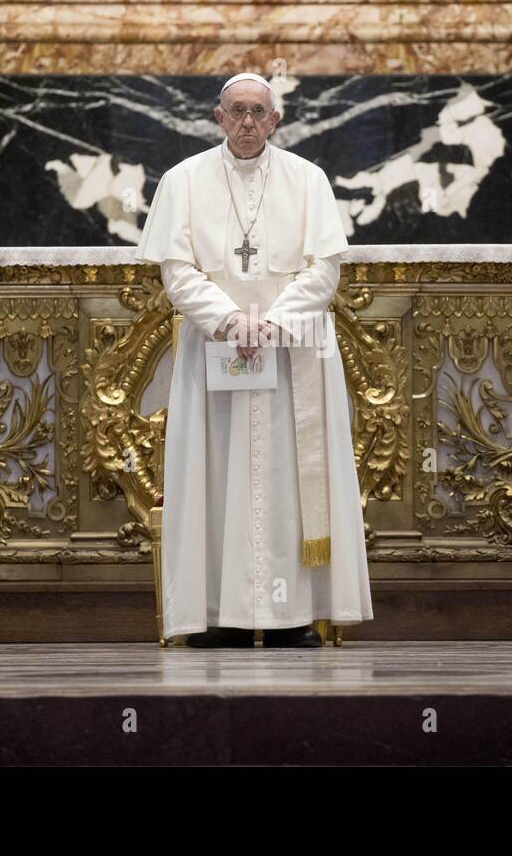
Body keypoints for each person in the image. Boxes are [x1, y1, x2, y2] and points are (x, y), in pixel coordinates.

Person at [134, 72, 374, 647]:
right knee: (213, 478)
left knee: (289, 483)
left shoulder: (308, 180)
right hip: (214, 351)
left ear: (275, 120)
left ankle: (293, 618)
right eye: (236, 111)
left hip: (293, 356)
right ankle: (220, 615)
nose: (247, 122)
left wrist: (269, 323)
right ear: (218, 117)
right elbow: (176, 272)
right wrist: (229, 320)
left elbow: (325, 271)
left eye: (258, 112)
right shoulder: (183, 180)